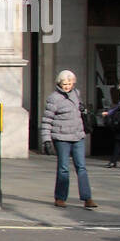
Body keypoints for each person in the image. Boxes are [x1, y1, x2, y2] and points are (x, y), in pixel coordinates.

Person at [41, 69, 98, 208]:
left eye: (69, 83)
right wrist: (46, 140)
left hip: (78, 135)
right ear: (59, 83)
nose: (67, 86)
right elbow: (47, 120)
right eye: (64, 84)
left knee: (82, 167)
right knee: (63, 168)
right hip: (61, 137)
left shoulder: (76, 94)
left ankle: (87, 198)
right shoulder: (54, 98)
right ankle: (60, 198)